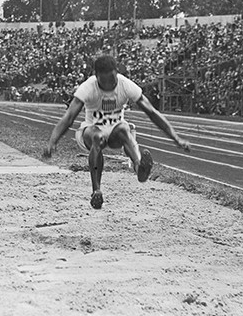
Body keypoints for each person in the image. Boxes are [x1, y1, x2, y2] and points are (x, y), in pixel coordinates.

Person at [42, 54, 191, 209]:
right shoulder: (87, 87)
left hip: (114, 133)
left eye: (112, 80)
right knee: (97, 137)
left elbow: (152, 113)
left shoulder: (125, 85)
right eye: (103, 81)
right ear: (96, 77)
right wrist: (53, 141)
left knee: (124, 129)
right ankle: (96, 191)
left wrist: (176, 138)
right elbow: (69, 117)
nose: (108, 85)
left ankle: (139, 167)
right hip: (90, 131)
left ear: (117, 73)